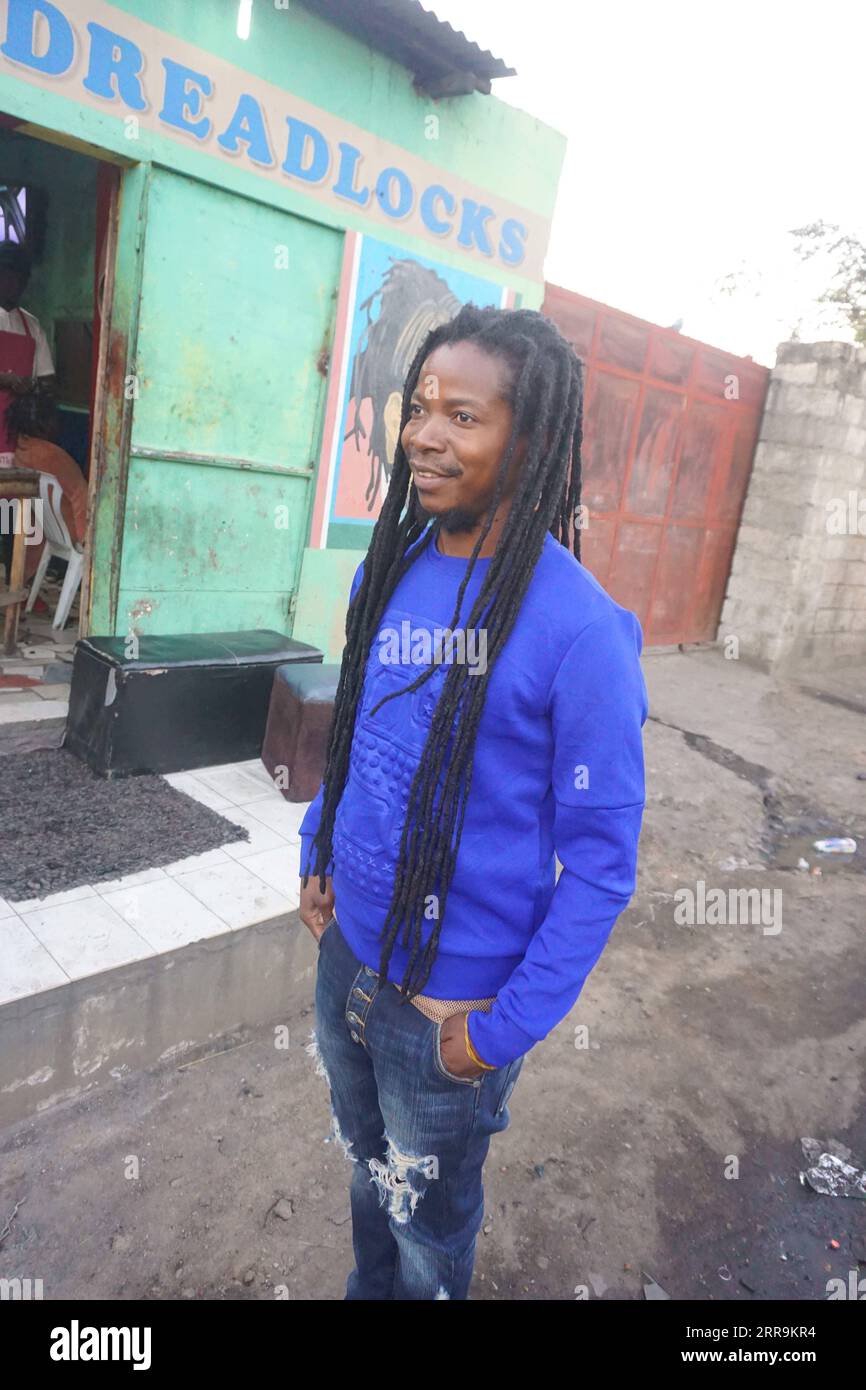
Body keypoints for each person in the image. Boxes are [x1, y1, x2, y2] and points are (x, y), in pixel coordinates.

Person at [299, 304, 648, 1301]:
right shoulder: (389, 568)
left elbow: (599, 865)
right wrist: (314, 852)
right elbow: (357, 733)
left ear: (526, 439)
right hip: (347, 967)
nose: (422, 433)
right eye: (418, 407)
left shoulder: (580, 632)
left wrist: (496, 1031)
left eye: (462, 415)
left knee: (430, 1228)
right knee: (368, 1175)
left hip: (447, 1013)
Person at [4, 391, 87, 590]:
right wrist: (87, 538)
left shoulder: (23, 452)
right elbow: (81, 496)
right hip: (72, 530)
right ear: (47, 422)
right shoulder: (54, 456)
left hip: (51, 529)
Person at [0, 241, 55, 469]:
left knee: (16, 501)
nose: (15, 284)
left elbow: (47, 381)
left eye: (21, 278)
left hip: (19, 441)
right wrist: (6, 380)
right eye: (9, 275)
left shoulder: (32, 326)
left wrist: (33, 387)